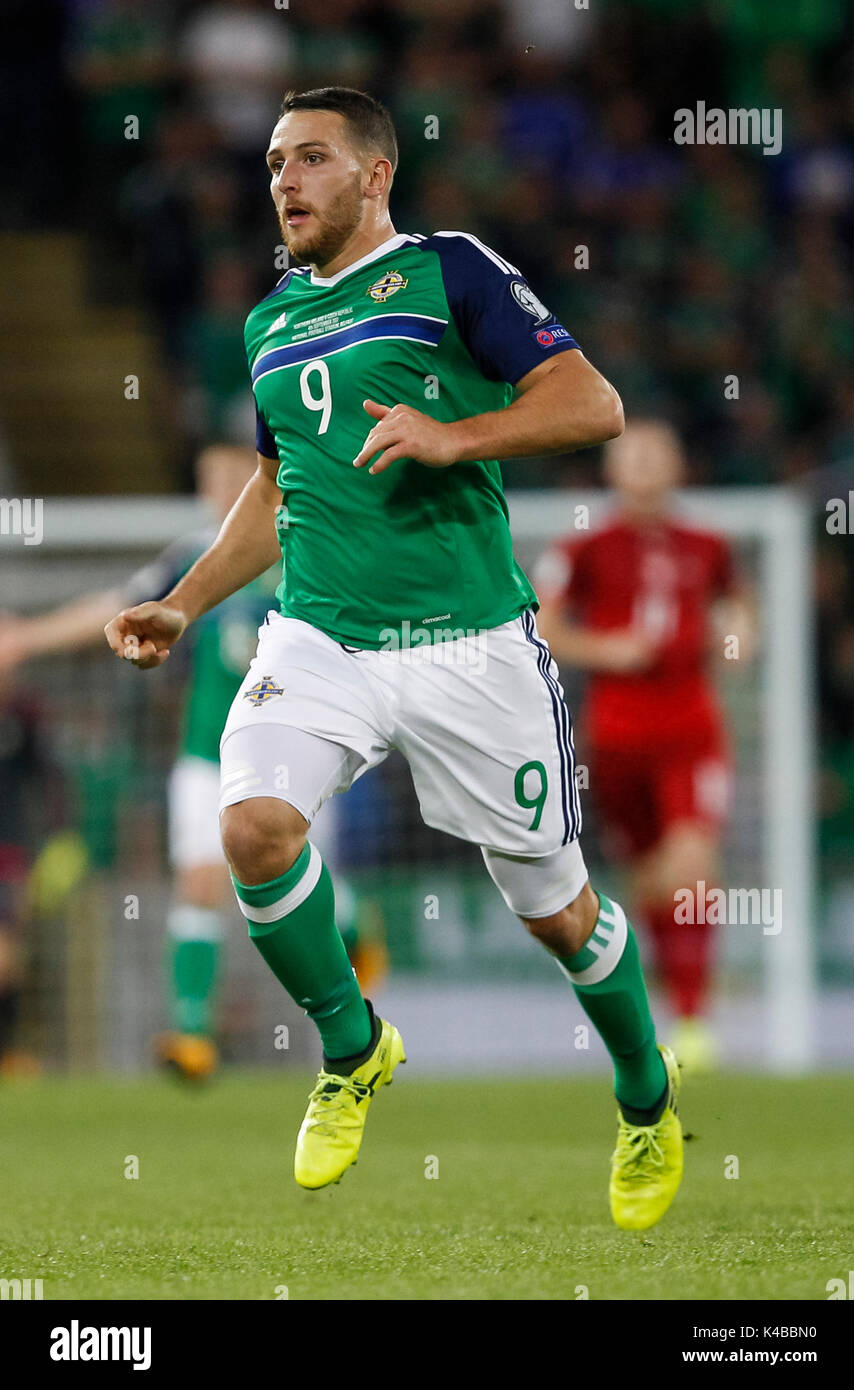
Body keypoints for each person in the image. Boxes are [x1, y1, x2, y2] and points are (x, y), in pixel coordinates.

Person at [105, 85, 682, 1230]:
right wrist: (183, 601)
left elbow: (593, 403)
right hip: (320, 635)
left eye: (311, 159)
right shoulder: (270, 321)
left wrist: (454, 433)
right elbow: (282, 487)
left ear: (375, 175)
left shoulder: (451, 270)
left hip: (470, 647)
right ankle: (353, 1045)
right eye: (274, 162)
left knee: (557, 912)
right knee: (251, 830)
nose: (284, 181)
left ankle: (646, 1096)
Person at [0, 446, 276, 1079]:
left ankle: (351, 925)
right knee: (202, 878)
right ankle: (192, 1035)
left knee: (273, 883)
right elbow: (118, 605)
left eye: (232, 474)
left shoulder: (300, 546)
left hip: (290, 753)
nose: (218, 490)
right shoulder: (194, 557)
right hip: (207, 750)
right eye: (207, 479)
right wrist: (30, 638)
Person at [534, 419, 754, 1071]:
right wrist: (605, 648)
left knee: (690, 864)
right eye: (634, 458)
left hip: (690, 728)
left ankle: (692, 1021)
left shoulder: (706, 544)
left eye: (659, 456)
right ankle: (670, 993)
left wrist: (738, 636)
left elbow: (739, 606)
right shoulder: (585, 548)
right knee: (650, 879)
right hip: (617, 736)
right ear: (613, 471)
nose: (646, 468)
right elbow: (543, 626)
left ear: (678, 467)